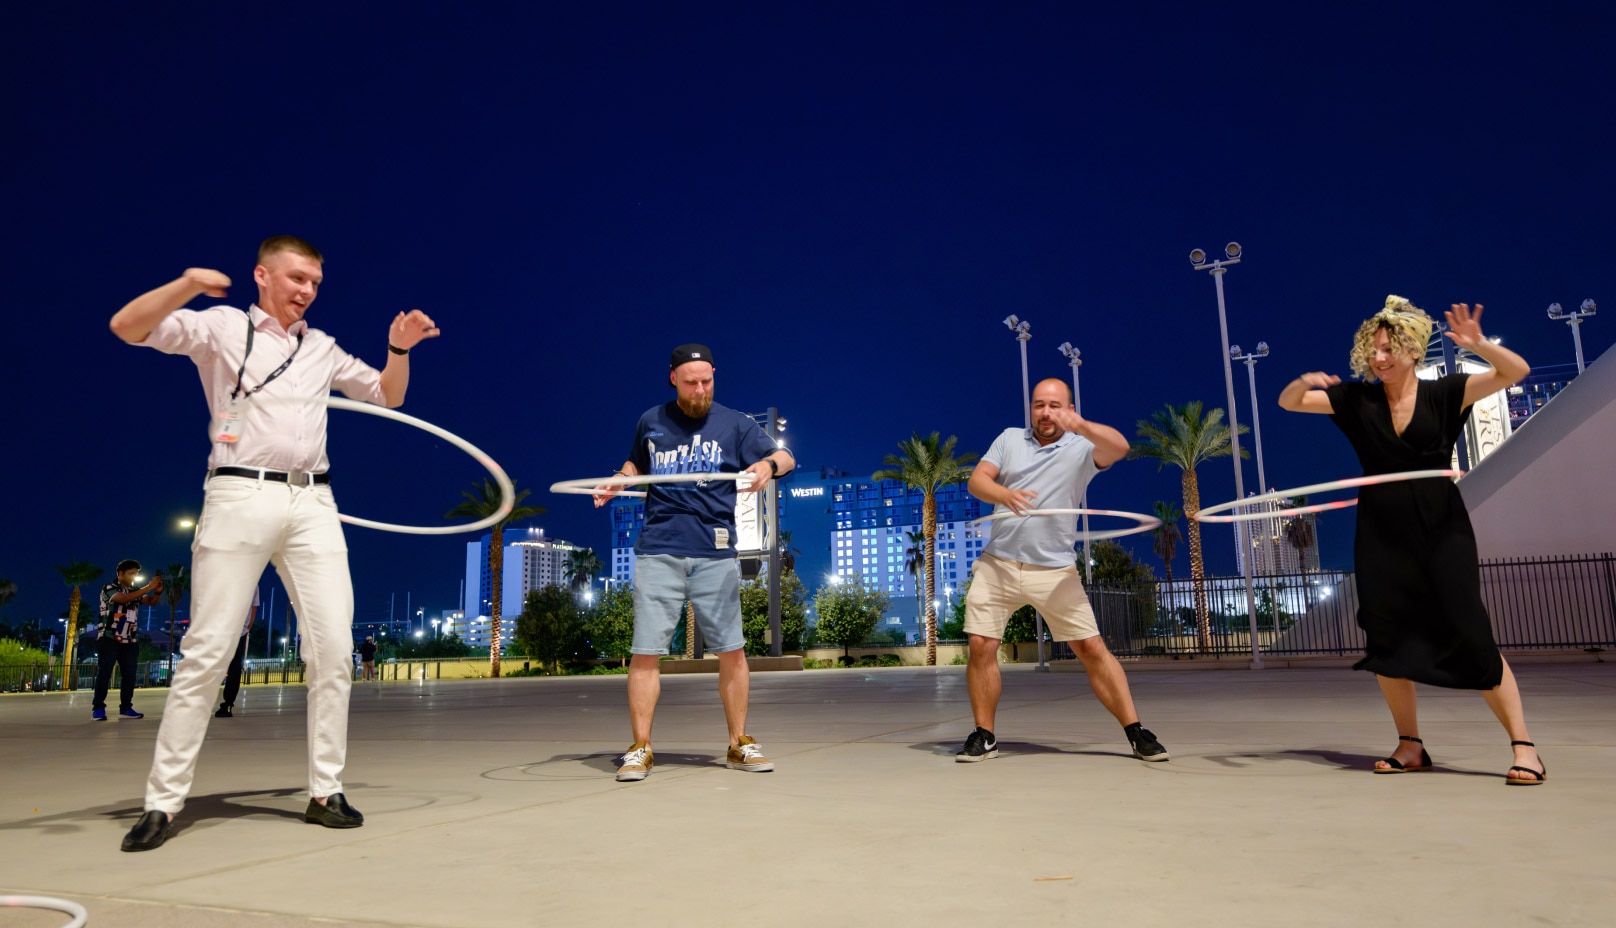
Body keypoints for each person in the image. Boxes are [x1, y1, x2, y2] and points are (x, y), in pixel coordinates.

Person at [108, 235, 440, 851]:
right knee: (208, 650)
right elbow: (127, 326)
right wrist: (186, 284)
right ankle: (163, 801)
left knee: (335, 649)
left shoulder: (322, 348)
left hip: (313, 501)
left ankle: (325, 791)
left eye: (314, 282)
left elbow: (389, 396)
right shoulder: (224, 328)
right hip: (238, 494)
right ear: (262, 275)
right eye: (295, 279)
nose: (306, 291)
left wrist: (399, 348)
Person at [1278, 297, 1543, 783]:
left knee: (1470, 628)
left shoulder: (1447, 393)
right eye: (1373, 350)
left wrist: (1479, 344)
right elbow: (1289, 403)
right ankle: (1410, 744)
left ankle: (1524, 746)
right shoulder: (1358, 401)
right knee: (1388, 637)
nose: (1379, 358)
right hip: (1382, 530)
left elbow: (1516, 372)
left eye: (1388, 349)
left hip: (1441, 524)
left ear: (1413, 350)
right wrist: (1304, 383)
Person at [593, 344, 794, 782]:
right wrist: (620, 481)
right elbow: (635, 464)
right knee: (645, 652)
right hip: (659, 548)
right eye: (690, 382)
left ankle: (739, 743)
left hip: (715, 550)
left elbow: (786, 458)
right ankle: (640, 747)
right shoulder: (651, 420)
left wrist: (765, 465)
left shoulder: (736, 423)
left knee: (733, 650)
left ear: (714, 376)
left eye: (707, 381)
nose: (700, 389)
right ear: (673, 379)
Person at [958, 378, 1169, 764]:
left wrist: (1082, 426)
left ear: (1068, 409)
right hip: (998, 564)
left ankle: (1136, 731)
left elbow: (1120, 447)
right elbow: (976, 481)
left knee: (1090, 648)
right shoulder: (1008, 439)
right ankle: (984, 735)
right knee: (980, 645)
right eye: (1039, 405)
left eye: (1054, 406)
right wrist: (1004, 495)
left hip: (1054, 570)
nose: (1045, 413)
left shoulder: (1081, 448)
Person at [93, 560, 163, 721]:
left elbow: (150, 602)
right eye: (131, 573)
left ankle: (126, 707)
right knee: (104, 674)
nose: (134, 577)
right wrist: (149, 587)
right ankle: (98, 708)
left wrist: (157, 592)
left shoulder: (135, 590)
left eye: (136, 574)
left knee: (129, 675)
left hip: (130, 640)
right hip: (109, 637)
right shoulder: (109, 588)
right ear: (120, 573)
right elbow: (123, 599)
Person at [214, 585, 260, 718]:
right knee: (235, 668)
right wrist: (248, 626)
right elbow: (254, 608)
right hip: (240, 631)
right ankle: (228, 704)